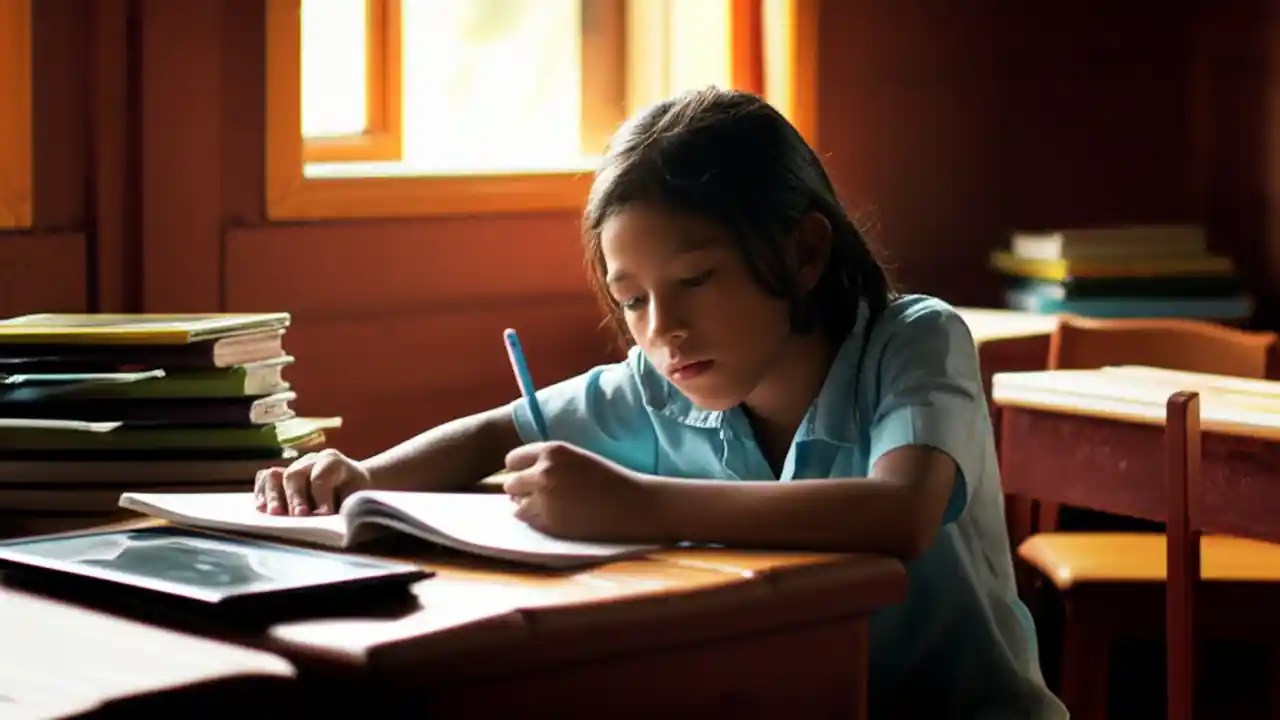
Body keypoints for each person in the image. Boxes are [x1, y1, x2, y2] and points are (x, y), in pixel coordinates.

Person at [254, 87, 1067, 718]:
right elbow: (498, 431)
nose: (663, 330)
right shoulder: (660, 384)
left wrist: (637, 505)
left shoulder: (912, 340)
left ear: (805, 251)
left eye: (695, 282)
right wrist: (363, 473)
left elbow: (901, 515)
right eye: (631, 300)